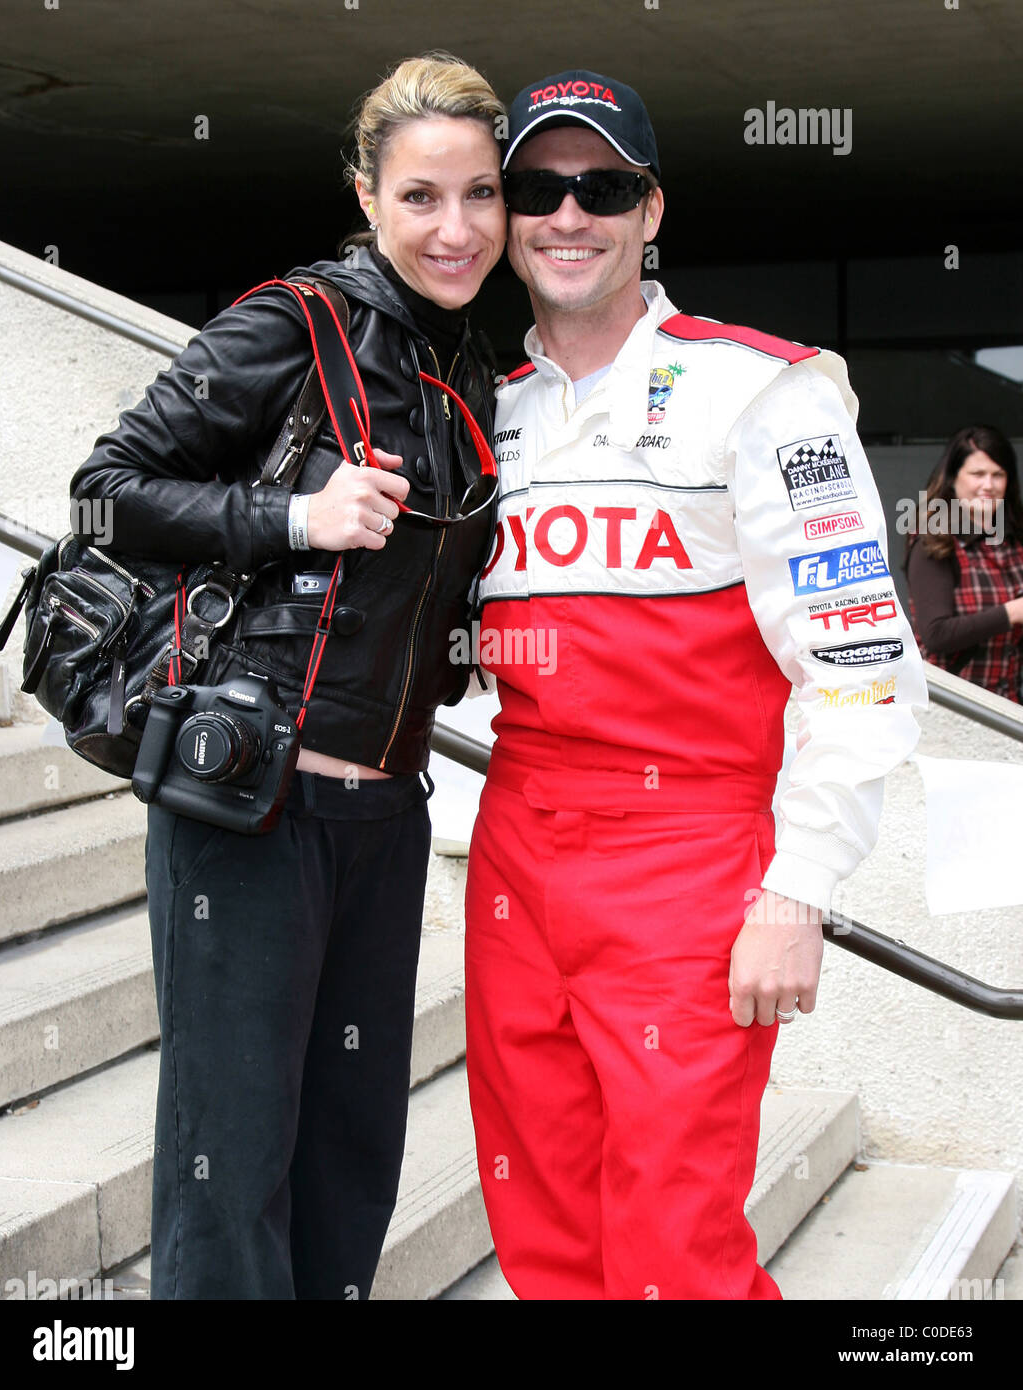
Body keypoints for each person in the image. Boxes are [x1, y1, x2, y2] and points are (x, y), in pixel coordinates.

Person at [463, 69, 928, 1300]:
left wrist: (800, 889)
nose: (568, 216)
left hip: (690, 856)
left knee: (674, 1254)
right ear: (503, 213)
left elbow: (862, 665)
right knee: (544, 1238)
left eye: (600, 188)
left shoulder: (765, 390)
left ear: (649, 212)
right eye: (537, 189)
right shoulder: (471, 412)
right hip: (516, 847)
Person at [70, 52, 506, 1299]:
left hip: (385, 809)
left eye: (479, 195)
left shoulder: (462, 367)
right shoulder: (293, 321)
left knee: (351, 1157)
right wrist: (291, 518)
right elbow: (105, 495)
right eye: (421, 196)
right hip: (253, 805)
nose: (456, 227)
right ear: (367, 195)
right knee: (232, 1157)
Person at [905, 424, 1023, 702]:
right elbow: (936, 635)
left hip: (1010, 706)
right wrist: (1012, 612)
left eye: (998, 475)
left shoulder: (1015, 541)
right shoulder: (934, 540)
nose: (989, 485)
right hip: (956, 706)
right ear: (953, 478)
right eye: (977, 474)